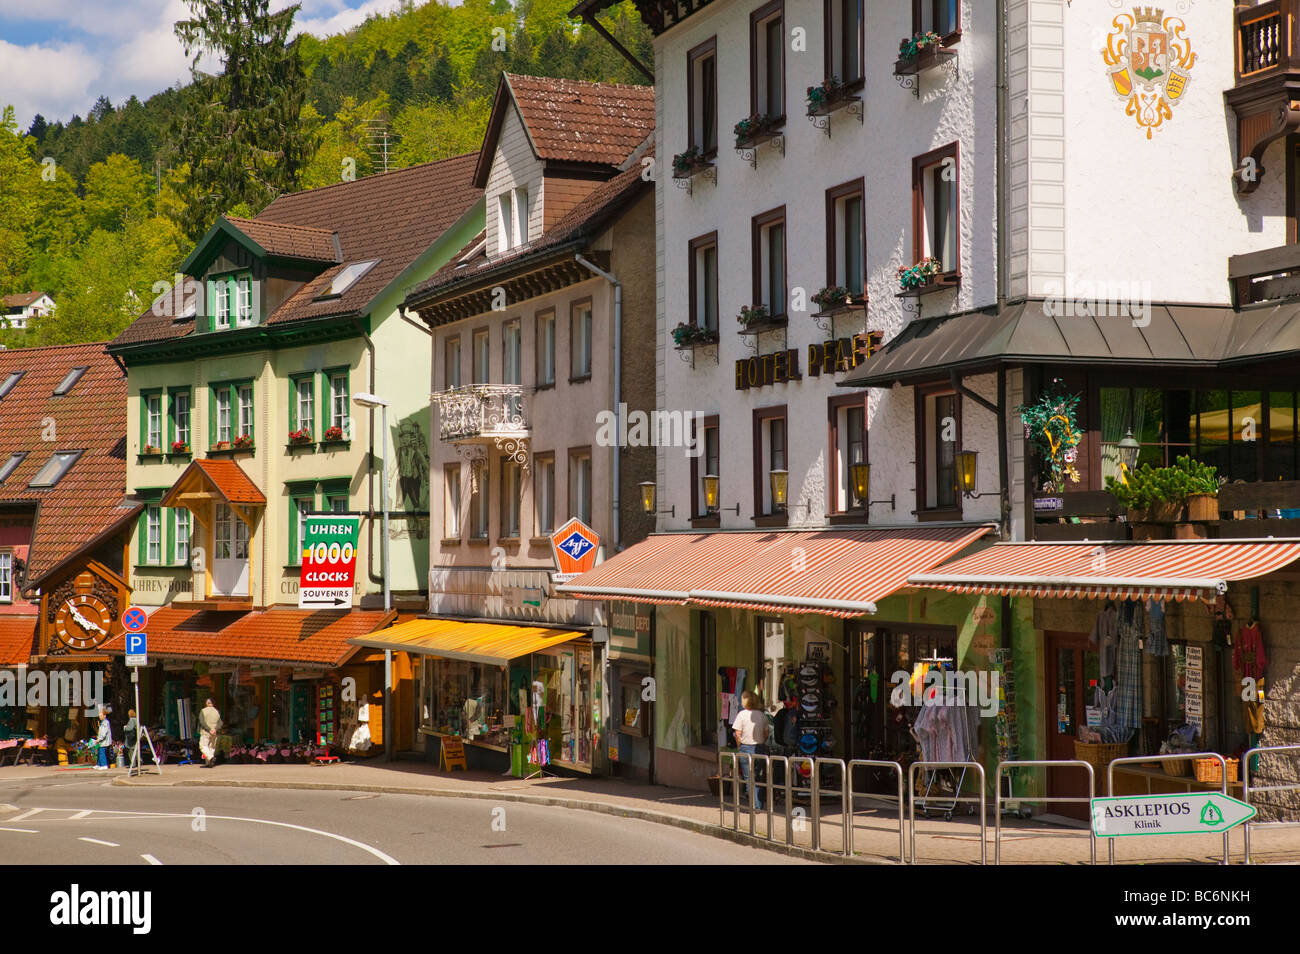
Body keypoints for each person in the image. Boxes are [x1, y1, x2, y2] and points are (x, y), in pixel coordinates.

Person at [731, 690, 770, 810]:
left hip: (745, 747)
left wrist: (739, 746)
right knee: (758, 777)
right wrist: (761, 741)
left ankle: (755, 806)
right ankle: (758, 804)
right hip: (759, 747)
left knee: (748, 778)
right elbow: (766, 733)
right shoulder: (762, 715)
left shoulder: (741, 715)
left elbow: (737, 734)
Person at [197, 698, 223, 768]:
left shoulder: (203, 711)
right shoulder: (217, 711)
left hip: (206, 732)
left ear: (206, 703)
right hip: (214, 733)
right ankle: (209, 764)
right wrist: (215, 729)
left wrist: (209, 729)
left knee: (203, 746)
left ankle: (211, 758)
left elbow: (202, 722)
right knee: (211, 747)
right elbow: (220, 722)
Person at [94, 706, 112, 771]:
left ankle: (104, 765)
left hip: (104, 741)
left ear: (104, 716)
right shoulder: (102, 722)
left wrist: (99, 739)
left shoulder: (105, 722)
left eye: (101, 716)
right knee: (99, 751)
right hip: (101, 741)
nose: (100, 717)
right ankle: (99, 764)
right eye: (99, 716)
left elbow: (103, 732)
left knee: (102, 752)